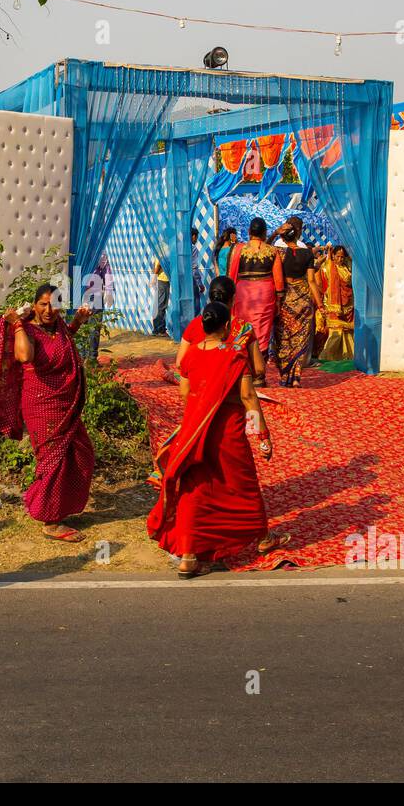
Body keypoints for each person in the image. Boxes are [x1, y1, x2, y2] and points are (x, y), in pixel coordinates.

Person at [147, 301, 289, 577]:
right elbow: (249, 397)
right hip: (227, 433)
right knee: (241, 485)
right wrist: (262, 435)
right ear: (226, 327)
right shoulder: (234, 357)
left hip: (195, 432)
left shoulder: (189, 358)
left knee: (195, 491)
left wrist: (203, 413)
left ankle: (188, 556)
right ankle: (261, 538)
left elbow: (187, 396)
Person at [0, 284, 96, 542]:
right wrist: (17, 324)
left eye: (54, 304)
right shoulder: (27, 330)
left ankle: (58, 507)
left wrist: (77, 321)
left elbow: (62, 342)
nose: (49, 310)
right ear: (34, 305)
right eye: (43, 304)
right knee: (52, 462)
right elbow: (25, 356)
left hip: (65, 405)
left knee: (81, 453)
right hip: (41, 405)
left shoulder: (57, 327)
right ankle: (50, 520)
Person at [176, 275, 266, 384]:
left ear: (210, 297)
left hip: (200, 385)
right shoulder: (244, 328)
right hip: (232, 386)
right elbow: (259, 369)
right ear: (233, 298)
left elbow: (180, 363)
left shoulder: (195, 324)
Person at [228, 217, 283, 372]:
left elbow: (231, 273)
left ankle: (243, 369)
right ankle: (259, 373)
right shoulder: (273, 251)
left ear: (249, 232)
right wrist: (279, 301)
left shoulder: (238, 249)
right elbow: (278, 279)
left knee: (242, 328)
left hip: (242, 294)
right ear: (264, 233)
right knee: (262, 331)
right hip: (264, 295)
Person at [274, 217, 316, 386]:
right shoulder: (307, 252)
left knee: (283, 337)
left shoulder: (277, 252)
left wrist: (275, 233)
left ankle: (285, 376)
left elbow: (265, 247)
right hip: (303, 300)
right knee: (300, 338)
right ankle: (296, 377)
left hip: (284, 299)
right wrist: (320, 304)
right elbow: (311, 281)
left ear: (284, 236)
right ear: (298, 233)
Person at [320, 245, 355, 362]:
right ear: (333, 256)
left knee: (347, 331)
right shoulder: (328, 267)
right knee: (336, 331)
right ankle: (328, 356)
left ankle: (348, 355)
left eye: (342, 257)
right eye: (338, 256)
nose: (340, 259)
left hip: (348, 303)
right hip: (334, 304)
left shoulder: (347, 267)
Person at [151, 255, 170, 336]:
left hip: (160, 279)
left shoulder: (157, 249)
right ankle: (160, 330)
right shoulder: (163, 250)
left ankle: (156, 329)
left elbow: (154, 264)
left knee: (159, 304)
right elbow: (159, 264)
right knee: (162, 304)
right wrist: (154, 277)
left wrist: (154, 277)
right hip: (163, 279)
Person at [190, 227, 205, 314]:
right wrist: (200, 283)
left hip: (181, 279)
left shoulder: (181, 248)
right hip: (191, 279)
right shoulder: (193, 248)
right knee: (195, 302)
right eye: (196, 237)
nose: (196, 240)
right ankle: (195, 322)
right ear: (193, 236)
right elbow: (194, 267)